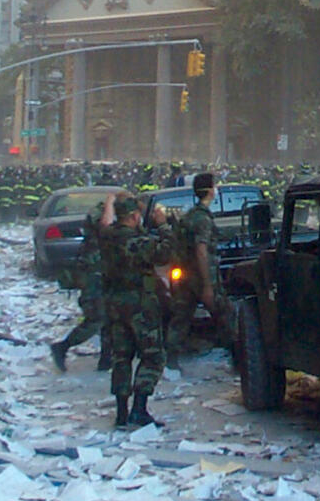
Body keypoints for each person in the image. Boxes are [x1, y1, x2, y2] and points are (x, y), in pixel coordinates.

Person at [98, 191, 173, 428]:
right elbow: (165, 253)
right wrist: (164, 227)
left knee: (121, 356)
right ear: (133, 216)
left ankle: (121, 412)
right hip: (140, 305)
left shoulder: (108, 237)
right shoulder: (138, 242)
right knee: (153, 356)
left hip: (115, 305)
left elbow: (108, 225)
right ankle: (139, 408)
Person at [165, 172, 233, 371]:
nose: (216, 189)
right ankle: (240, 358)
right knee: (226, 315)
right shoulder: (202, 219)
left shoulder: (190, 216)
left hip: (186, 275)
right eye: (214, 186)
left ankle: (172, 359)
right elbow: (201, 251)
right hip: (201, 277)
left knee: (180, 318)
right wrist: (207, 285)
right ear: (210, 190)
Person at [50, 197, 112, 373]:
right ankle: (62, 347)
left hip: (100, 281)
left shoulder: (96, 239)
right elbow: (106, 224)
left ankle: (107, 359)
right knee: (97, 320)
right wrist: (110, 202)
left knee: (108, 319)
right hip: (94, 283)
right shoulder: (96, 239)